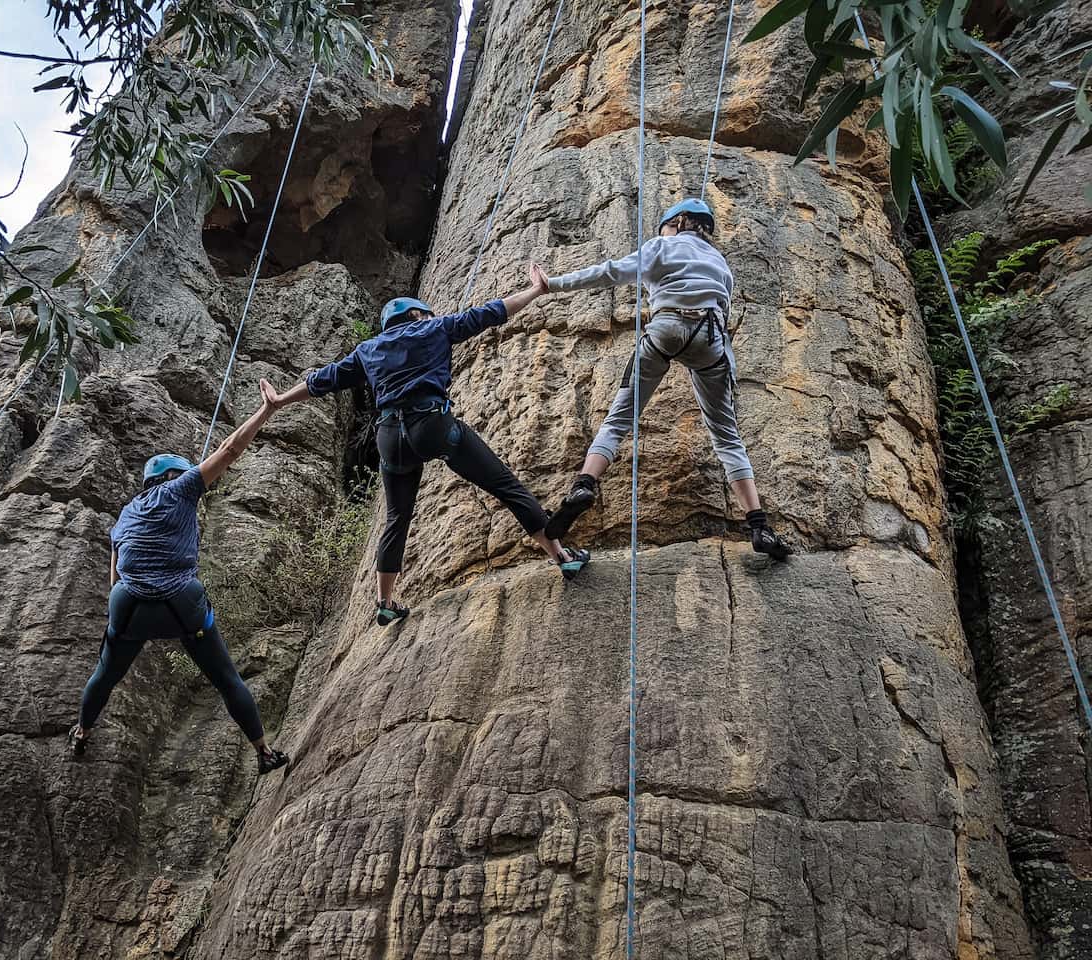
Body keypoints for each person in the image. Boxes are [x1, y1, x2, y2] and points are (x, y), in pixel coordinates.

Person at [261, 269, 590, 628]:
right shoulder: (435, 328)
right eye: (427, 313)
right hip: (431, 426)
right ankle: (562, 556)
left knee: (396, 517)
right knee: (504, 485)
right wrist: (535, 290)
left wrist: (279, 400)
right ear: (416, 315)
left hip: (390, 439)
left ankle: (385, 602)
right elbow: (492, 312)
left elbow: (322, 380)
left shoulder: (367, 350)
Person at [535, 197, 790, 560]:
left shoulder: (662, 246)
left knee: (620, 418)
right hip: (711, 339)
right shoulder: (721, 263)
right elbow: (725, 309)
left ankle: (584, 484)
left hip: (666, 327)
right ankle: (759, 526)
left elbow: (611, 272)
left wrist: (553, 284)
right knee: (726, 436)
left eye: (666, 226)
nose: (664, 232)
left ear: (679, 221)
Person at [68, 386, 290, 774]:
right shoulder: (181, 489)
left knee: (104, 675)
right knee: (226, 678)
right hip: (181, 602)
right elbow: (229, 450)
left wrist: (120, 621)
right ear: (174, 476)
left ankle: (83, 732)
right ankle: (264, 752)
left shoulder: (125, 514)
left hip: (128, 604)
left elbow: (115, 574)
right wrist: (266, 411)